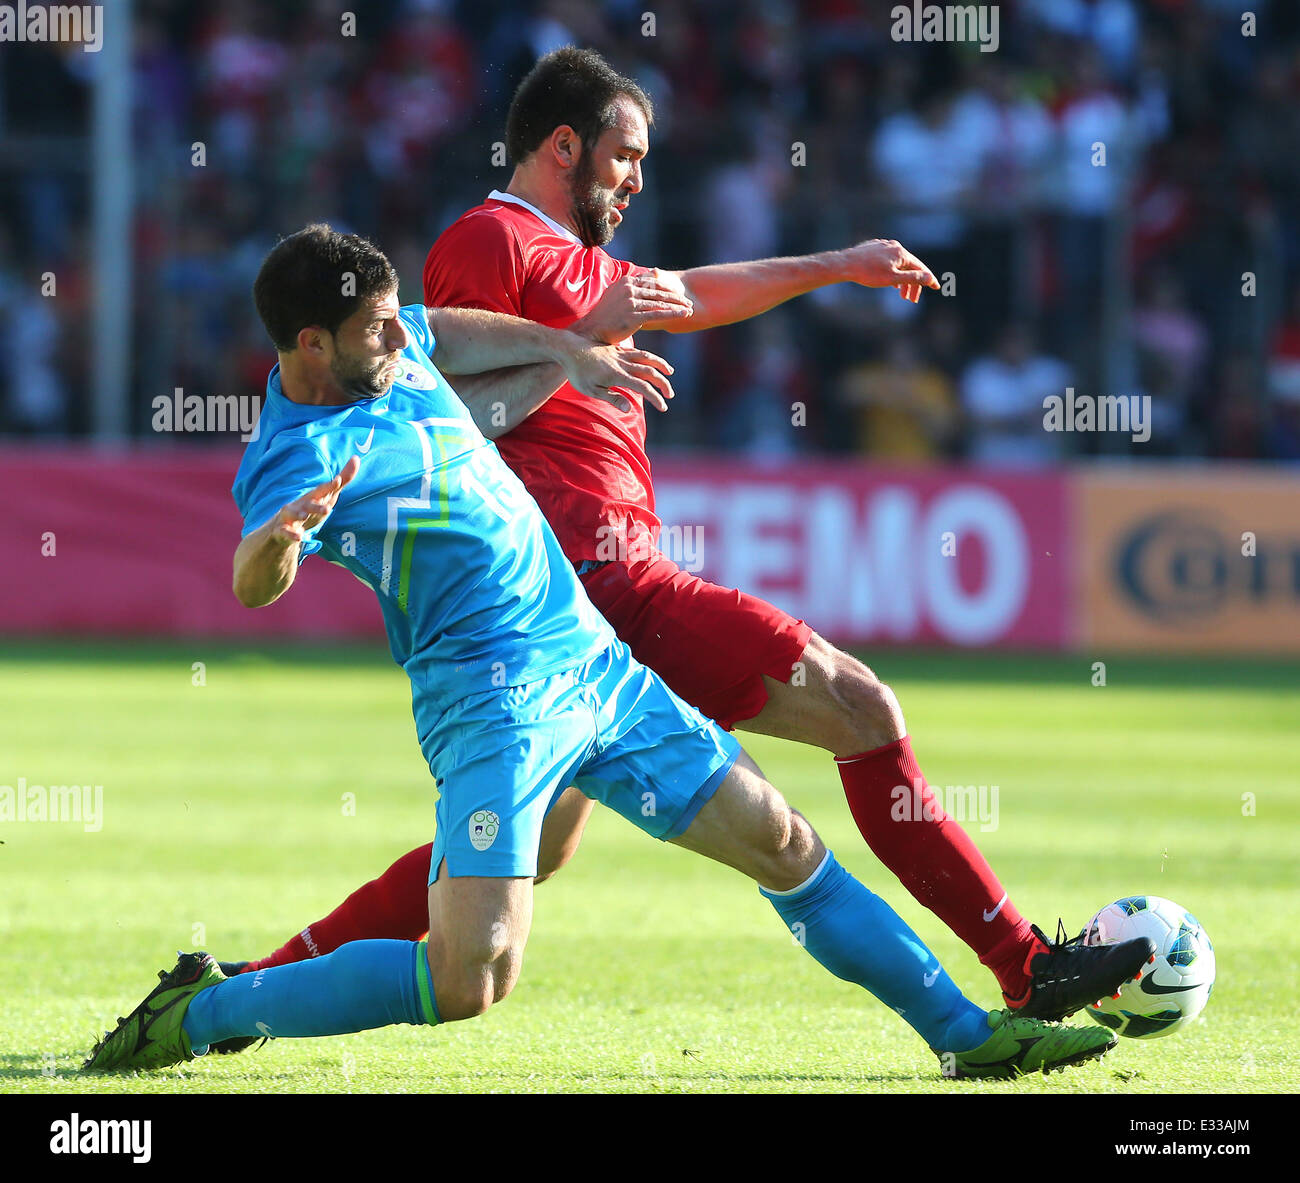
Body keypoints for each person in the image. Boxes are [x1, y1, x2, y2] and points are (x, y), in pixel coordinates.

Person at [83, 225, 1144, 1080]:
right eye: (374, 332)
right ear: (310, 344)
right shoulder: (295, 454)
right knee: (470, 978)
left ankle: (971, 1037)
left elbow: (440, 326)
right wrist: (282, 539)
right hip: (491, 703)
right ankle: (206, 1009)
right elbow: (250, 581)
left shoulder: (392, 349)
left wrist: (559, 346)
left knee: (783, 843)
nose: (400, 344)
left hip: (595, 665)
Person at [220, 48, 1148, 1025]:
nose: (634, 179)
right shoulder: (493, 240)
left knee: (532, 850)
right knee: (861, 708)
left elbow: (696, 293)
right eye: (624, 156)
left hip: (582, 606)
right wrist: (585, 334)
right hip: (598, 581)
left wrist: (834, 265)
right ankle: (1018, 964)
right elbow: (442, 424)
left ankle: (249, 984)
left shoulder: (577, 261)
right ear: (563, 146)